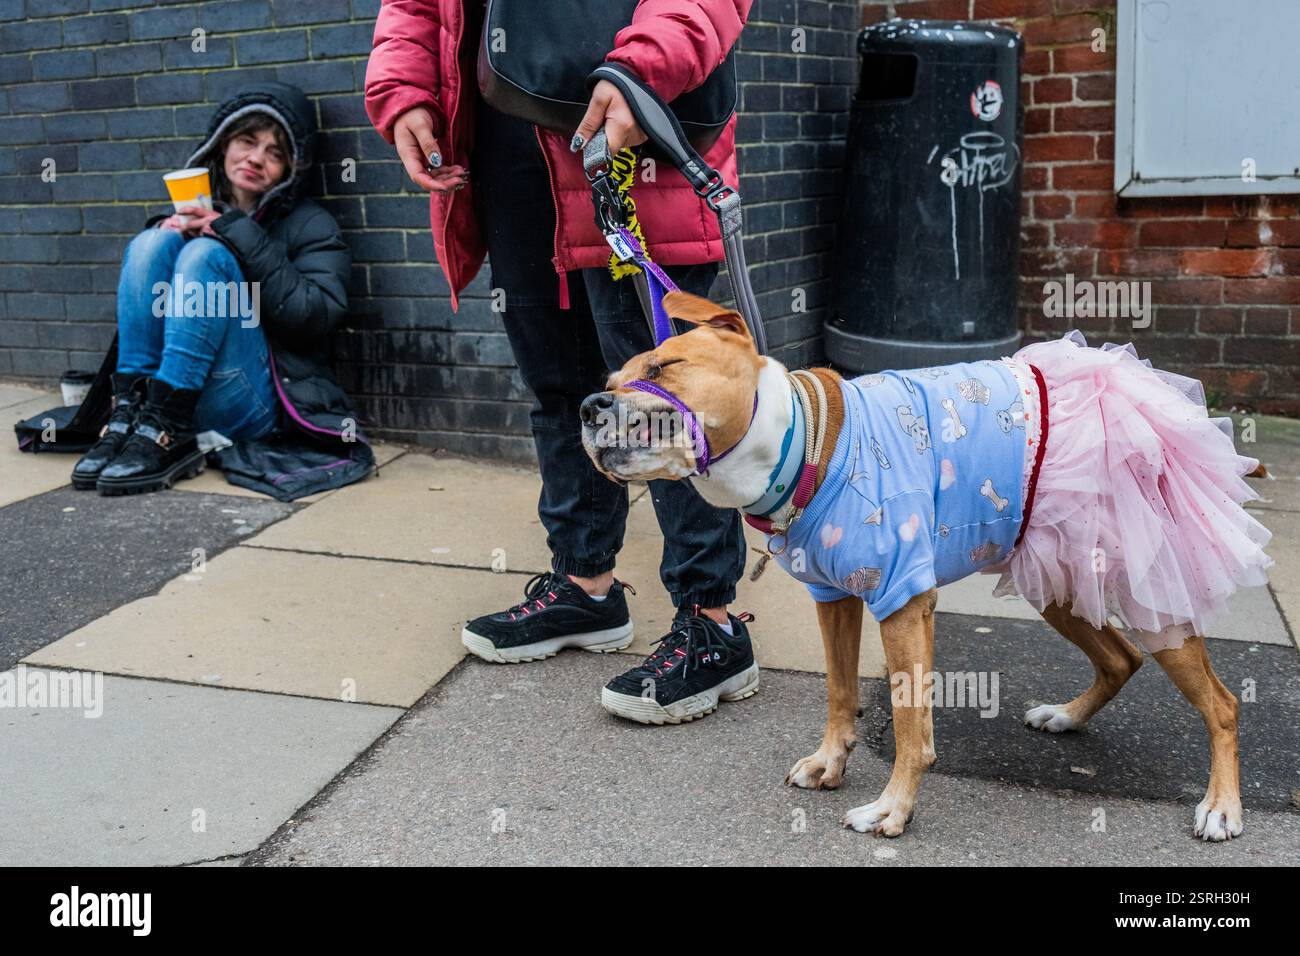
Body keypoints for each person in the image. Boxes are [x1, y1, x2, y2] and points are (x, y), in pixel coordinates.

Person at [366, 0, 759, 724]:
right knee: (557, 384)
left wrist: (647, 66)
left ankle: (715, 622)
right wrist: (405, 91)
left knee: (661, 400)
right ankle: (588, 587)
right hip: (505, 133)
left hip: (628, 122)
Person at [73, 82, 354, 497]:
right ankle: (128, 416)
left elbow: (313, 318)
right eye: (247, 141)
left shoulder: (311, 224)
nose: (257, 158)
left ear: (291, 169)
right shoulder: (189, 215)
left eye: (276, 153)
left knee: (206, 255)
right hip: (171, 395)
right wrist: (174, 237)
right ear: (223, 144)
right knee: (153, 242)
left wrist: (232, 233)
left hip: (248, 402)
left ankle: (166, 427)